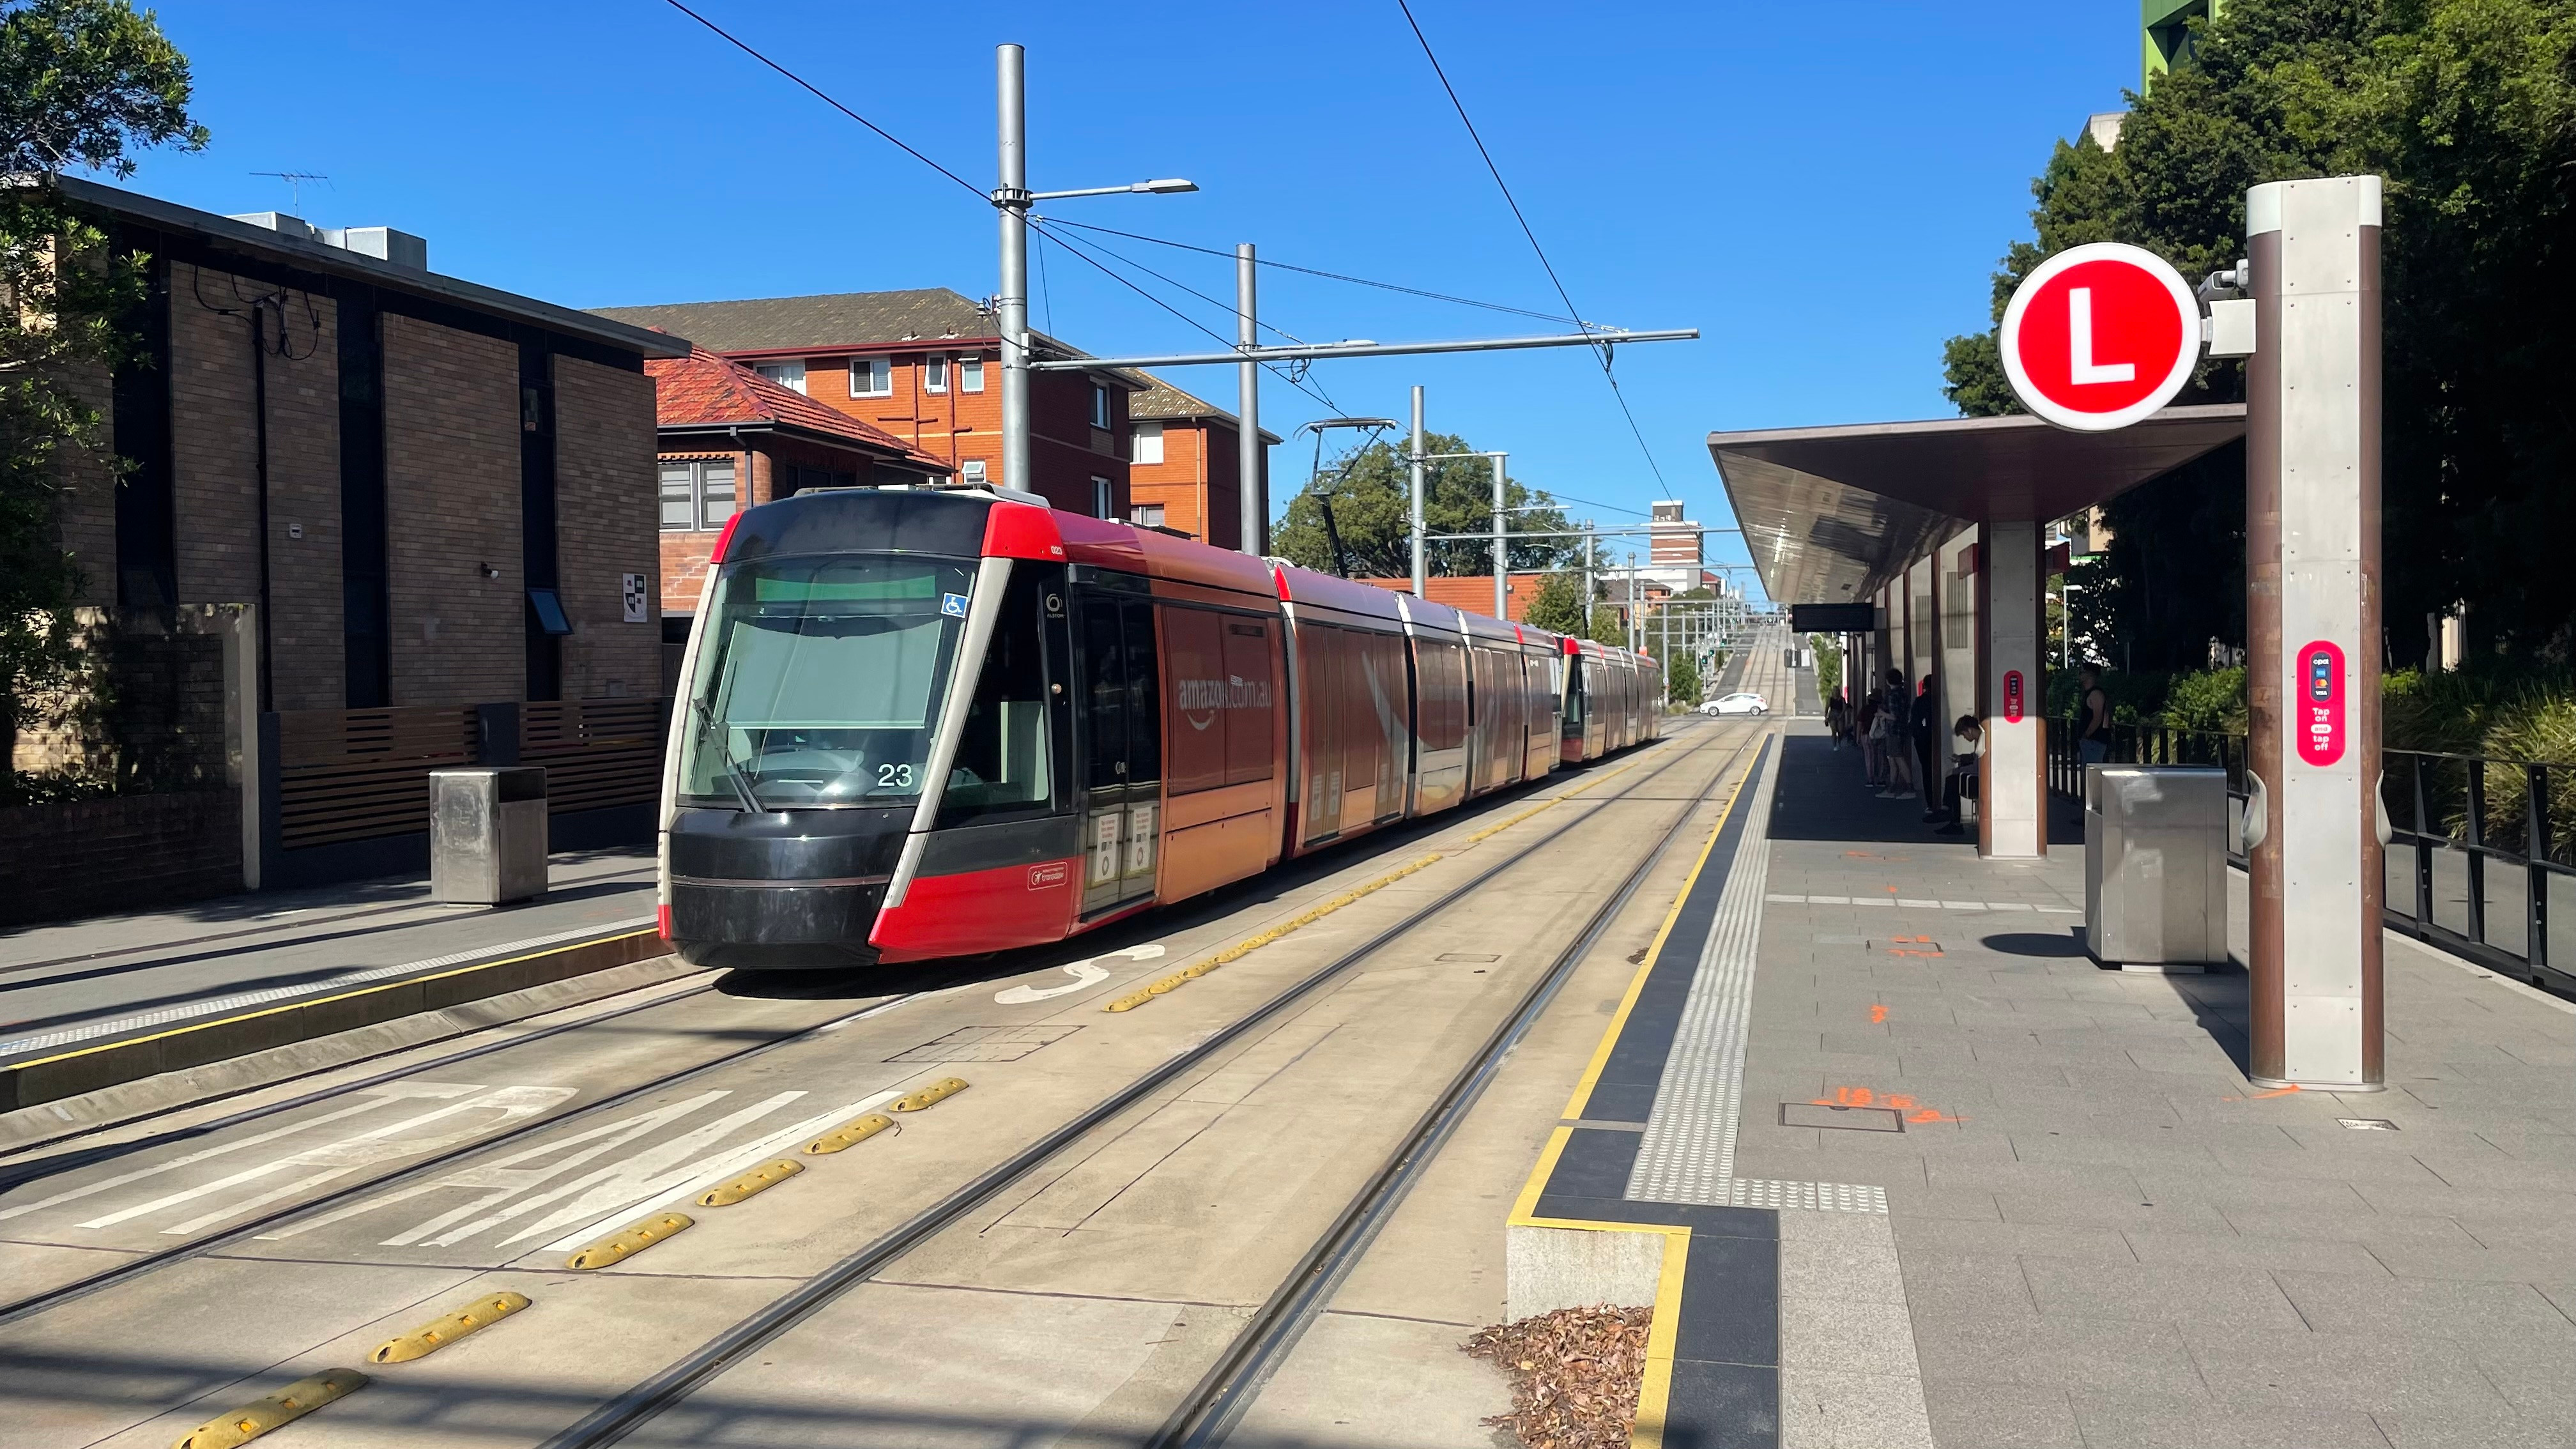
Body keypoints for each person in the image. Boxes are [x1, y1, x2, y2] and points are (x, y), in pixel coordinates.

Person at [1931, 714, 1981, 834]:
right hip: (1978, 777)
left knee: (1953, 780)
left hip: (1979, 780)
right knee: (1953, 780)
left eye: (1964, 734)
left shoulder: (1983, 742)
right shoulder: (1982, 739)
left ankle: (1948, 811)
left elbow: (1977, 767)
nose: (1964, 738)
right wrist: (1960, 758)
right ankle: (1950, 815)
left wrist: (1956, 771)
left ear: (1970, 730)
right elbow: (1975, 759)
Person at [1876, 668, 1915, 799]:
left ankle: (1910, 788)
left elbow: (1894, 716)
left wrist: (1882, 714)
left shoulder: (1892, 696)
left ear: (1888, 681)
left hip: (1894, 731)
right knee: (1892, 758)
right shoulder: (1903, 694)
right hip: (1902, 730)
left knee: (1898, 758)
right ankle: (1892, 787)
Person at [1912, 675, 1940, 821]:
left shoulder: (1919, 702)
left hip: (1922, 741)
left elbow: (1914, 723)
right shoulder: (1938, 701)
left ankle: (1931, 802)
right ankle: (1940, 802)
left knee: (1927, 772)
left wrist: (1917, 737)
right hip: (1936, 739)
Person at [2077, 664, 2112, 767]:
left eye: (2082, 672)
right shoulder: (2090, 693)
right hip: (2091, 741)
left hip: (2094, 741)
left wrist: (2086, 735)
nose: (2080, 675)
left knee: (2092, 773)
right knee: (2088, 773)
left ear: (2090, 675)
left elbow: (2098, 718)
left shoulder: (2096, 694)